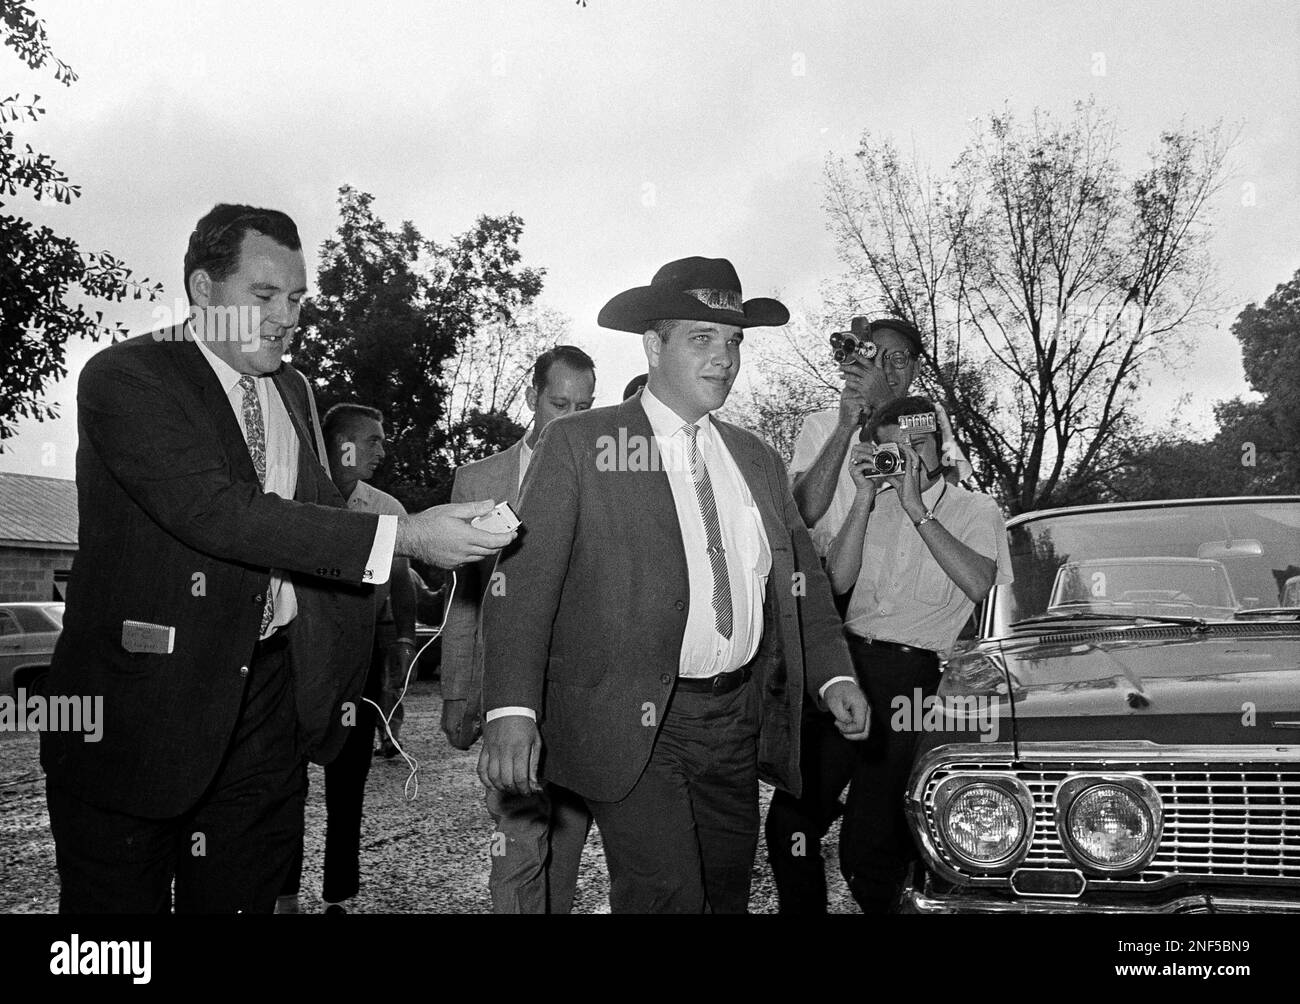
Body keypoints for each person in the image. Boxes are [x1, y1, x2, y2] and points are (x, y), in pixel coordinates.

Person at [40, 203, 514, 914]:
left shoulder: (292, 388)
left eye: (295, 298)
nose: (286, 317)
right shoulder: (127, 377)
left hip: (265, 708)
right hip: (137, 714)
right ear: (203, 290)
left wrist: (325, 688)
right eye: (264, 296)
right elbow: (219, 512)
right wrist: (407, 535)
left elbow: (316, 519)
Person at [478, 257, 871, 913]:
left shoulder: (757, 460)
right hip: (636, 721)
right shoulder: (582, 445)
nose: (724, 358)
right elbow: (520, 586)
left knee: (723, 896)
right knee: (668, 897)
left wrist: (834, 676)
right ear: (654, 346)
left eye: (734, 340)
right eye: (702, 338)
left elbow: (802, 584)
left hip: (735, 723)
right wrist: (510, 710)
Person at [764, 314, 969, 912]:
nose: (887, 366)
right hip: (830, 621)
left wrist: (892, 427)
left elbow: (951, 503)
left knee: (875, 844)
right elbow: (801, 511)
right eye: (875, 355)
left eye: (901, 359)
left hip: (903, 642)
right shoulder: (819, 424)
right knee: (792, 823)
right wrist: (851, 425)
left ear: (914, 372)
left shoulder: (931, 428)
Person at [826, 395, 1011, 912]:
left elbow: (981, 585)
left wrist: (917, 507)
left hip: (911, 677)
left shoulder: (977, 509)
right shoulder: (869, 503)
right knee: (791, 820)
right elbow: (837, 579)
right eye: (893, 449)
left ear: (938, 445)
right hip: (845, 666)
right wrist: (863, 499)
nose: (907, 455)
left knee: (871, 840)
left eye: (918, 443)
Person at [440, 345, 597, 914]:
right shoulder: (479, 480)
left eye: (586, 406)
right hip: (509, 691)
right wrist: (460, 689)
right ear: (532, 398)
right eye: (560, 404)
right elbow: (466, 598)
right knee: (518, 843)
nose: (574, 419)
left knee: (568, 841)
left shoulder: (607, 478)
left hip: (581, 692)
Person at [277, 403, 417, 914]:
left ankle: (338, 892)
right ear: (342, 445)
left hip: (361, 659)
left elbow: (400, 579)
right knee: (285, 780)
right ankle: (283, 891)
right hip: (298, 655)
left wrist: (403, 641)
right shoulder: (293, 495)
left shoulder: (385, 506)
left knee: (348, 778)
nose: (383, 450)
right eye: (374, 440)